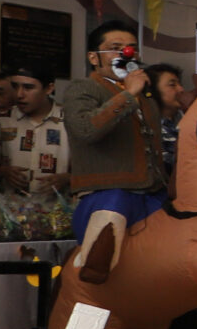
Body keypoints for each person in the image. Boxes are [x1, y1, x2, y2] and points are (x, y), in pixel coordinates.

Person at [62, 20, 166, 282]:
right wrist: (129, 94)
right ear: (93, 58)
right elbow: (86, 129)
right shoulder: (83, 88)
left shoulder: (146, 96)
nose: (126, 53)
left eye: (131, 48)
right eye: (115, 48)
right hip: (106, 192)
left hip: (151, 193)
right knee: (104, 258)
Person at [0, 68, 69, 196]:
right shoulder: (1, 120)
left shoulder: (70, 120)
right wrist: (3, 171)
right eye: (15, 86)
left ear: (49, 89)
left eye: (28, 87)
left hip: (58, 210)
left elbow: (90, 169)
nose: (19, 94)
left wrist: (67, 178)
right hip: (11, 208)